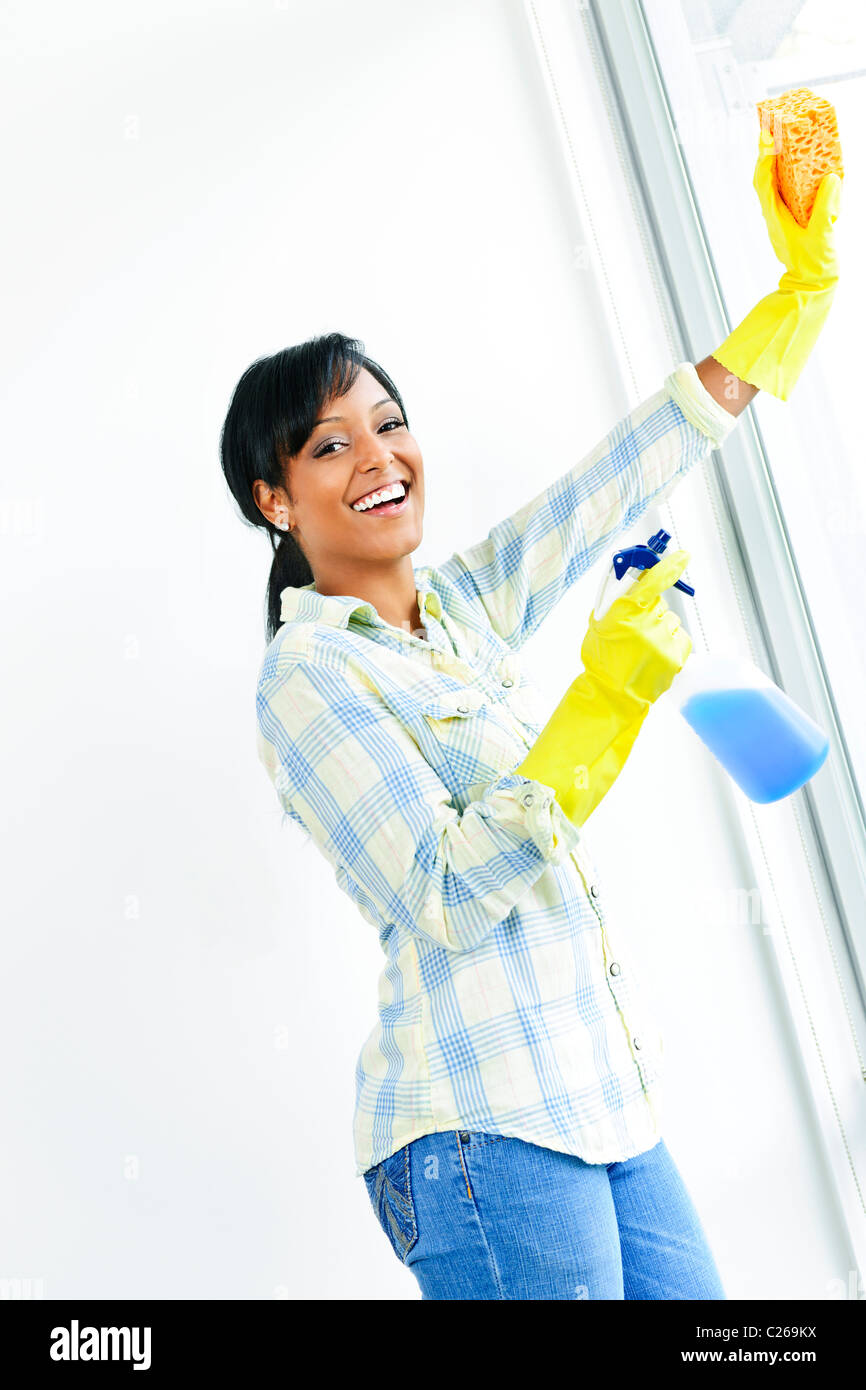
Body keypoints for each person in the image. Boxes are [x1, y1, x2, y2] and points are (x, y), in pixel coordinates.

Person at [219, 133, 841, 1299]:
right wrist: (601, 696)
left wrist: (790, 303)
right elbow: (448, 891)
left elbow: (609, 482)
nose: (378, 455)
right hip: (476, 1133)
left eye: (387, 421)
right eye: (328, 444)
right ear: (275, 499)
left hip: (602, 1102)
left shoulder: (455, 613)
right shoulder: (308, 680)